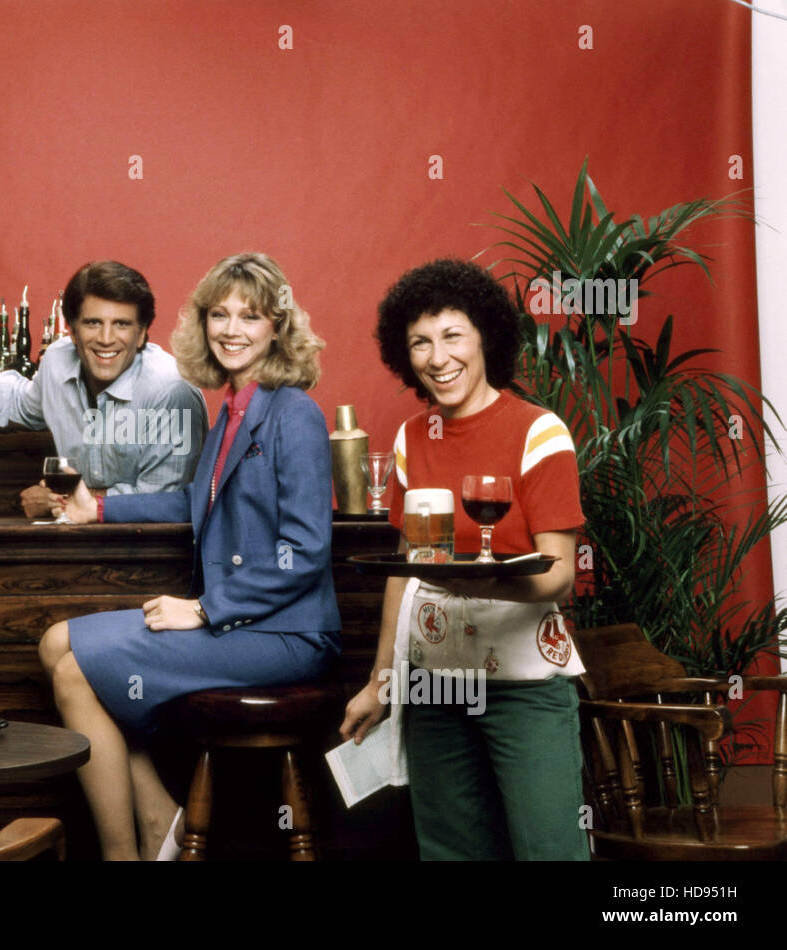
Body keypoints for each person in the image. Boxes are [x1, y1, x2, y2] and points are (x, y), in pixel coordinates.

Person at [38, 253, 339, 860]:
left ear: (276, 327)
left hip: (287, 634)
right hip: (246, 623)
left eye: (250, 316)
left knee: (71, 667)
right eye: (218, 314)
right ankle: (157, 819)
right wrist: (96, 509)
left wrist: (205, 610)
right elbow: (190, 500)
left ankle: (129, 851)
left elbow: (304, 552)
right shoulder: (229, 408)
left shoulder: (294, 413)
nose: (231, 329)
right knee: (53, 643)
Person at [339, 258, 589, 860]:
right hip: (437, 679)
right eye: (420, 342)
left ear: (485, 339)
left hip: (523, 682)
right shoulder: (409, 438)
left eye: (452, 335)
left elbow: (560, 576)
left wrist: (463, 579)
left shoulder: (539, 432)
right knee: (451, 850)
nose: (437, 356)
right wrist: (381, 680)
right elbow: (405, 568)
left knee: (548, 848)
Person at [0, 261, 207, 518]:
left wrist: (59, 500)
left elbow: (165, 502)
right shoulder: (59, 361)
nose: (106, 338)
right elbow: (13, 398)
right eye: (93, 323)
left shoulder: (171, 391)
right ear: (73, 330)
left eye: (121, 324)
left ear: (142, 333)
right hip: (79, 538)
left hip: (155, 552)